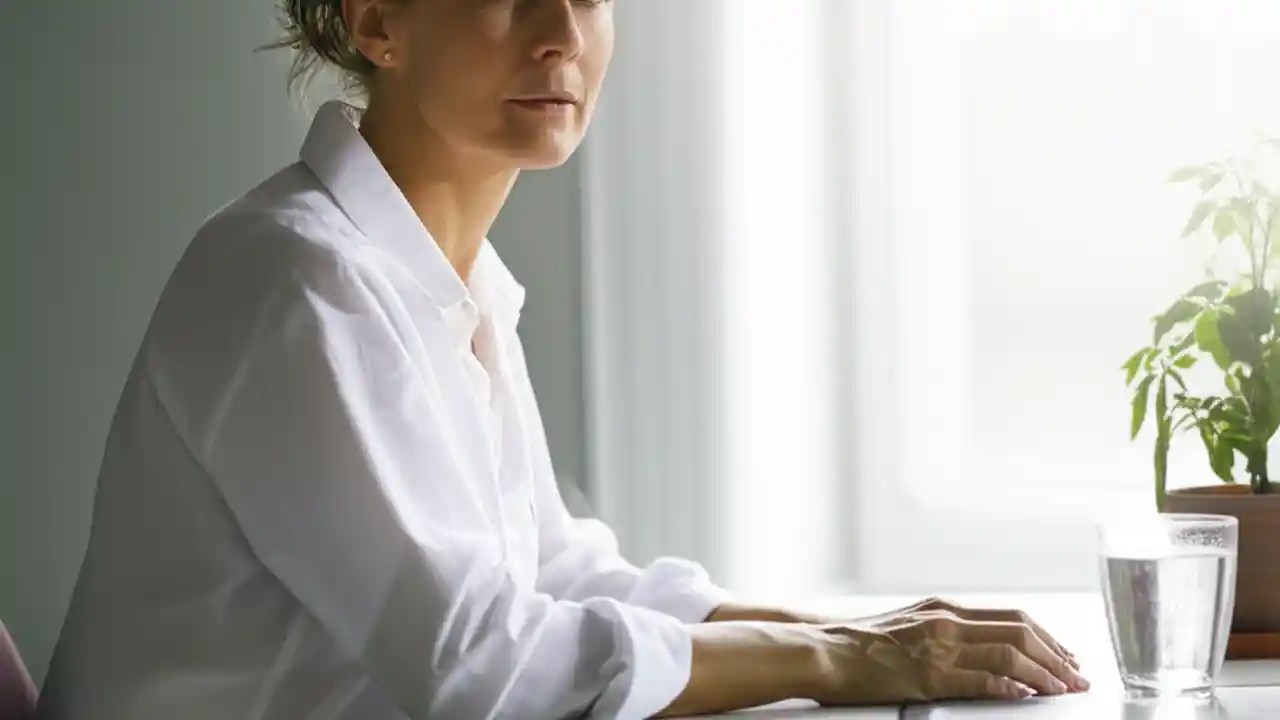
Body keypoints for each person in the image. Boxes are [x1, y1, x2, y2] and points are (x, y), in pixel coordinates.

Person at [38, 1, 1090, 717]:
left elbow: (558, 575)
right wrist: (842, 657)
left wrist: (860, 629)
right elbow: (478, 667)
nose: (560, 36)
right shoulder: (294, 277)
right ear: (376, 21)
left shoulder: (450, 281)